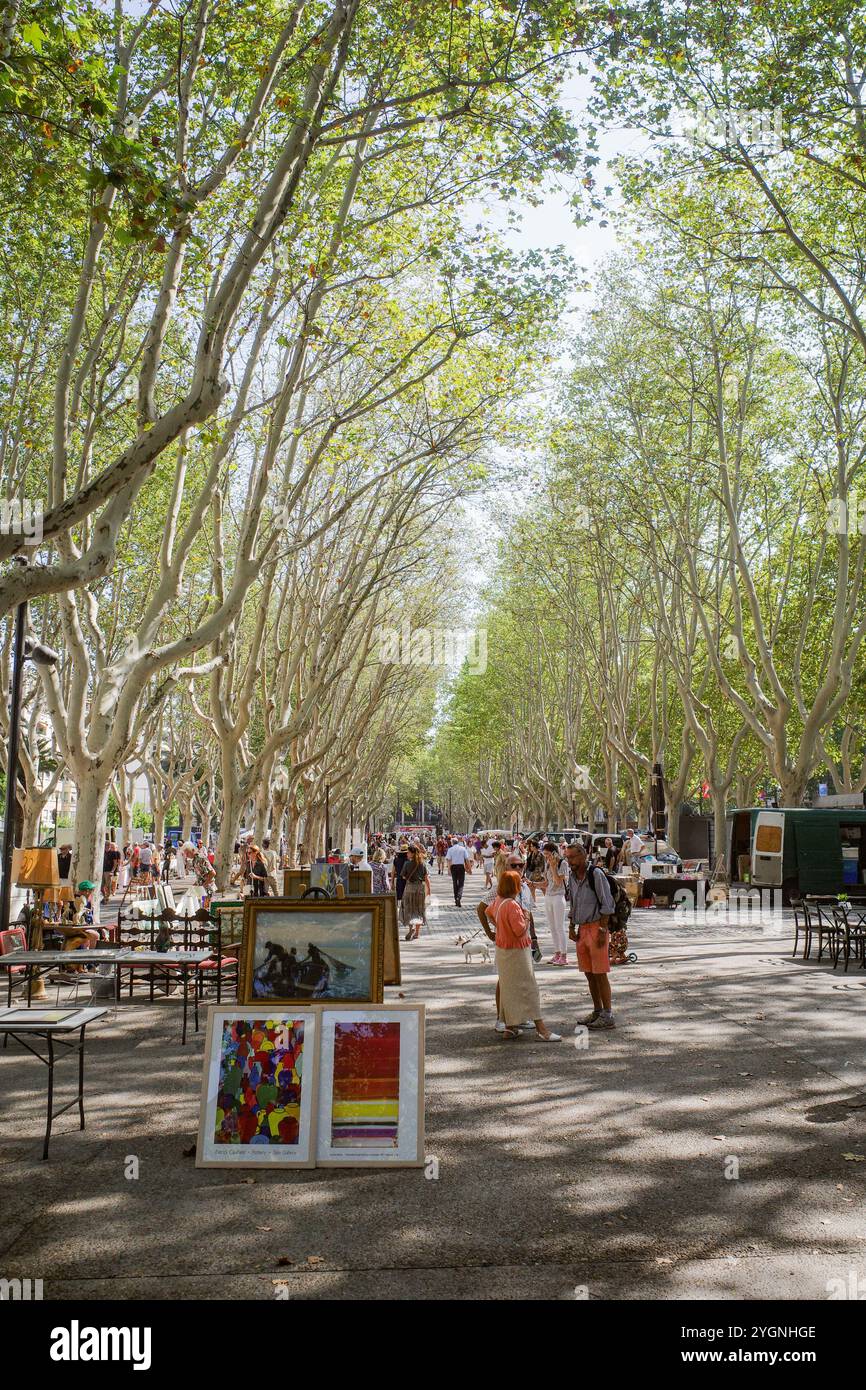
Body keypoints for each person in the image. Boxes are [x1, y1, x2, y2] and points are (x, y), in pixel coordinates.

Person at [484, 870, 560, 1042]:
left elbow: (488, 912)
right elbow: (519, 931)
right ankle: (541, 1029)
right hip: (517, 952)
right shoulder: (511, 904)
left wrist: (499, 927)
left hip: (503, 950)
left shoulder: (498, 900)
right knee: (529, 988)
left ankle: (510, 1027)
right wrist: (525, 917)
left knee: (509, 989)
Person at [564, 841, 615, 1029]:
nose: (570, 861)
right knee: (589, 973)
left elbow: (607, 904)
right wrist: (571, 926)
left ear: (584, 856)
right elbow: (573, 903)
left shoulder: (596, 874)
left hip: (596, 928)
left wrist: (602, 930)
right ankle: (597, 1011)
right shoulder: (571, 876)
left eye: (573, 857)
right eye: (567, 857)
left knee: (600, 973)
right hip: (582, 929)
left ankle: (608, 1014)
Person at [542, 840, 569, 965]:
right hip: (548, 896)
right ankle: (557, 952)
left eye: (547, 854)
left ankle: (564, 955)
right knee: (552, 927)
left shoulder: (562, 864)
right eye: (545, 854)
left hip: (558, 896)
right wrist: (533, 884)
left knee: (559, 927)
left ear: (554, 853)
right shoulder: (547, 864)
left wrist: (553, 867)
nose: (546, 857)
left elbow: (558, 882)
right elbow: (547, 883)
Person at [400, 844, 430, 939]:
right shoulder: (422, 864)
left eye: (408, 852)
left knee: (409, 909)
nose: (407, 854)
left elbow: (403, 876)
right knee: (418, 909)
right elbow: (426, 878)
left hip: (409, 888)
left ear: (412, 853)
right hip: (420, 888)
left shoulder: (407, 864)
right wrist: (429, 890)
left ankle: (410, 929)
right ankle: (417, 933)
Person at [445, 837, 472, 907]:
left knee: (455, 883)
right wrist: (469, 869)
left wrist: (449, 869)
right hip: (461, 866)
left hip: (453, 867)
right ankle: (458, 897)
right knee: (461, 883)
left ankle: (456, 898)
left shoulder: (450, 849)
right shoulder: (463, 849)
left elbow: (449, 860)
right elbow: (467, 859)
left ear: (452, 842)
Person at [524, 839, 545, 903]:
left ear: (535, 847)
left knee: (543, 888)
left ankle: (546, 900)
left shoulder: (541, 854)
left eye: (531, 846)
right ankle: (534, 901)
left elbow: (543, 864)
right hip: (534, 873)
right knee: (531, 886)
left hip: (540, 873)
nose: (530, 847)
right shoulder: (533, 853)